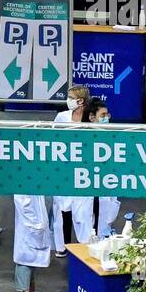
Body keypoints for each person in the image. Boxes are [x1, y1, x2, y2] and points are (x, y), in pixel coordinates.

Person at [52, 84, 92, 255]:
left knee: (83, 211)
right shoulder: (61, 117)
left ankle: (83, 247)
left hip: (84, 170)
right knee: (63, 209)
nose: (68, 101)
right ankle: (63, 247)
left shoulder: (90, 118)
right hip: (65, 169)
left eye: (70, 97)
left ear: (81, 100)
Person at [12, 194, 56, 292]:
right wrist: (32, 220)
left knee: (33, 257)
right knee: (25, 258)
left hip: (35, 213)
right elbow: (22, 200)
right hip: (28, 217)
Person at [86, 97, 122, 237]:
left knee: (106, 222)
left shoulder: (111, 136)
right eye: (102, 115)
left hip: (107, 184)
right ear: (91, 117)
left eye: (107, 115)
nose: (106, 118)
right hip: (91, 186)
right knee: (89, 226)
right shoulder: (84, 136)